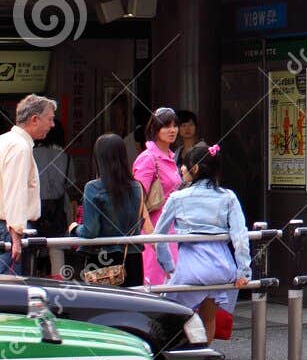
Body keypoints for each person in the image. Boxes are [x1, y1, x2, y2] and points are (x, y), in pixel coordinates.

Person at [153, 145, 251, 341]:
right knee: (208, 319)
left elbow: (159, 237)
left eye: (184, 165)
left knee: (174, 317)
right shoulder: (228, 197)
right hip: (221, 268)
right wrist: (244, 271)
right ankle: (205, 358)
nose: (181, 168)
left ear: (195, 168)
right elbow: (240, 236)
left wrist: (168, 266)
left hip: (190, 269)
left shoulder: (177, 197)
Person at [74, 132, 145, 287]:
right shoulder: (137, 187)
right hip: (132, 258)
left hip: (102, 259)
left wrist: (74, 229)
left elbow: (90, 230)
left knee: (103, 306)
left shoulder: (93, 188)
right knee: (134, 307)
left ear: (99, 158)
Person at [1, 94, 56, 275]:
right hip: (9, 229)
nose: (52, 125)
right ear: (34, 119)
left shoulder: (5, 140)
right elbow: (15, 191)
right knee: (11, 292)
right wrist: (16, 235)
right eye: (49, 119)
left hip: (5, 226)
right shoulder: (20, 146)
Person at [133, 107, 182, 287]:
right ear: (154, 129)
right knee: (156, 287)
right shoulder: (148, 158)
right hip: (155, 232)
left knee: (174, 286)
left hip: (172, 232)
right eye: (166, 126)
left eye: (175, 125)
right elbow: (137, 199)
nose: (172, 130)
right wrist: (152, 237)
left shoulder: (170, 156)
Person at [33, 123, 72, 278]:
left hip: (34, 211)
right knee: (57, 250)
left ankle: (30, 284)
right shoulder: (66, 158)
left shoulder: (30, 154)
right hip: (57, 212)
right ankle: (60, 287)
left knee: (31, 248)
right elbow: (69, 185)